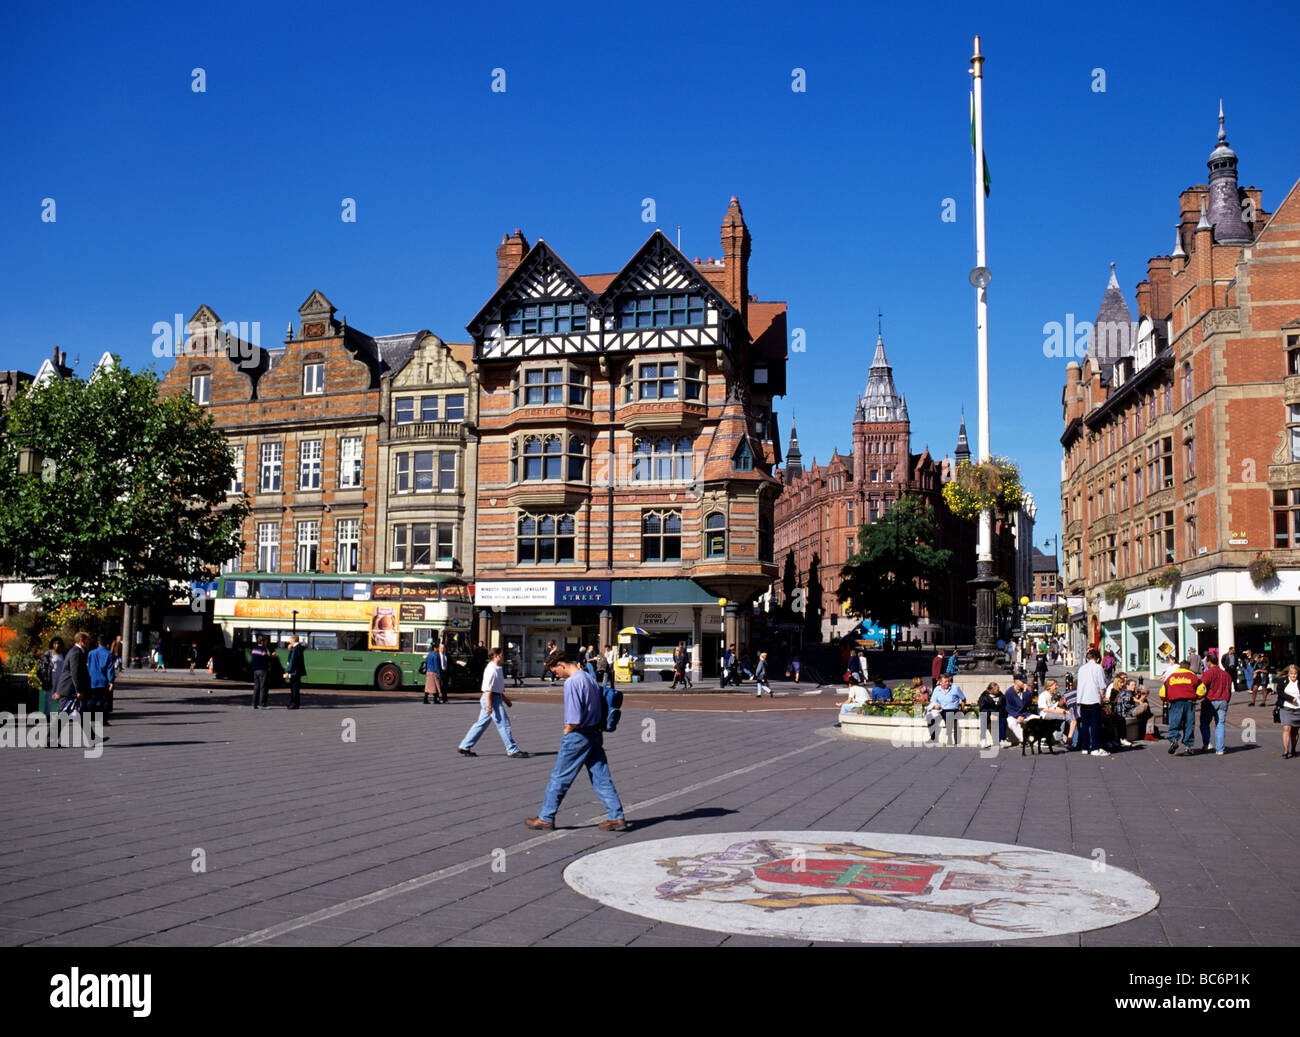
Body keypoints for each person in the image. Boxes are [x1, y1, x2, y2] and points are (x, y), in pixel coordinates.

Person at [525, 650, 626, 831]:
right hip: (595, 733)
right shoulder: (587, 677)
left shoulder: (572, 682)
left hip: (578, 735)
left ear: (562, 664)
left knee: (560, 777)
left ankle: (546, 817)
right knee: (601, 776)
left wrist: (567, 730)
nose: (555, 675)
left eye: (555, 671)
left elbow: (574, 717)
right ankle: (616, 816)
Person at [458, 646, 528, 758]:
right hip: (491, 699)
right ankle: (512, 750)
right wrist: (489, 706)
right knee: (503, 724)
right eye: (502, 655)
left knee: (481, 724)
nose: (503, 657)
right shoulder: (492, 669)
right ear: (496, 656)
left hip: (494, 698)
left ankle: (465, 746)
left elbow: (496, 688)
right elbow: (488, 690)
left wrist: (505, 699)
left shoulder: (496, 668)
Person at [1160, 658, 1206, 756]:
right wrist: (1197, 697)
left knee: (1175, 722)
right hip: (1189, 703)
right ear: (1189, 667)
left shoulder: (1171, 677)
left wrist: (1166, 699)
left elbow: (1162, 692)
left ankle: (1174, 739)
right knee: (1189, 724)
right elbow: (1202, 689)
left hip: (1175, 703)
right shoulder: (1192, 676)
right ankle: (1188, 747)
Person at [1197, 649, 1232, 755]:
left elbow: (1201, 687)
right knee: (1220, 724)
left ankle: (1208, 743)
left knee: (1204, 723)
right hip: (1223, 700)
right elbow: (1229, 690)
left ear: (1208, 661)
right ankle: (1220, 749)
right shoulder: (1226, 674)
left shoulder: (1208, 673)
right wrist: (1227, 699)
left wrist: (1199, 697)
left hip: (1210, 700)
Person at [1076, 647, 1109, 756]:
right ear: (1098, 659)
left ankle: (1085, 747)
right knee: (1095, 724)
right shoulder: (1098, 668)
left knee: (1084, 724)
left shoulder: (1081, 668)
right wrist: (1102, 693)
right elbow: (1102, 685)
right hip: (1093, 699)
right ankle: (1095, 748)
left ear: (1087, 659)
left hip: (1082, 699)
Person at [53, 632, 91, 720]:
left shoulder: (78, 652)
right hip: (69, 690)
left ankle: (90, 734)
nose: (89, 642)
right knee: (62, 714)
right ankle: (52, 734)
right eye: (88, 639)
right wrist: (79, 691)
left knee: (80, 715)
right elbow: (75, 673)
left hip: (71, 689)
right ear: (81, 640)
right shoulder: (76, 653)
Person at [931, 673, 965, 746]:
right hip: (940, 709)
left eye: (948, 681)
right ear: (940, 682)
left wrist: (962, 709)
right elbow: (932, 701)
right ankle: (933, 737)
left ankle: (949, 738)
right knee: (930, 718)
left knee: (948, 715)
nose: (948, 683)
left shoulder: (955, 688)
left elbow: (963, 699)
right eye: (945, 682)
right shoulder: (937, 689)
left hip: (952, 709)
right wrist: (935, 705)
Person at [87, 634, 115, 722]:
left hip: (92, 680)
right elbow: (110, 669)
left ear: (98, 642)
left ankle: (89, 716)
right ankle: (103, 719)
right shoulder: (109, 654)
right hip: (104, 680)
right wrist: (111, 682)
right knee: (104, 701)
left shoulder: (91, 653)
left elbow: (88, 666)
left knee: (93, 699)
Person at [1004, 676, 1034, 747]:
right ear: (1017, 682)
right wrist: (1017, 716)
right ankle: (1024, 739)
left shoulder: (1025, 690)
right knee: (1011, 723)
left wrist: (1026, 692)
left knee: (1037, 719)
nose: (1024, 683)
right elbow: (1008, 707)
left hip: (1025, 713)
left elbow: (1028, 702)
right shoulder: (1009, 692)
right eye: (1022, 682)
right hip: (1013, 714)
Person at [1278, 664, 1300, 759]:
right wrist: (1291, 699)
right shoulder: (1283, 681)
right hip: (1286, 708)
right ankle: (1286, 750)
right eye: (1291, 674)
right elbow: (1280, 692)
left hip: (1298, 709)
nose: (1293, 676)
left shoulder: (1299, 682)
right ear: (1288, 674)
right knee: (1286, 728)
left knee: (1295, 731)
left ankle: (1293, 749)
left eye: (1295, 674)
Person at [977, 681, 1006, 748]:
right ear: (991, 690)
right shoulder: (984, 697)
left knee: (1002, 719)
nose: (998, 690)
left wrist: (997, 714)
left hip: (998, 713)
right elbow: (983, 708)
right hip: (988, 714)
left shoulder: (1001, 696)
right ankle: (983, 740)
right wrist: (990, 714)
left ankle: (1002, 740)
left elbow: (1003, 707)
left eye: (998, 688)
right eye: (997, 689)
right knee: (983, 717)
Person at [250, 635, 273, 708]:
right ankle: (262, 703)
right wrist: (271, 657)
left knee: (256, 687)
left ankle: (254, 703)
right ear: (262, 642)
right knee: (263, 687)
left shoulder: (254, 649)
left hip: (255, 670)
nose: (267, 643)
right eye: (266, 641)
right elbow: (265, 660)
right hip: (263, 670)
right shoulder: (263, 649)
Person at [285, 634, 306, 709]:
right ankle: (295, 703)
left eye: (290, 640)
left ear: (293, 640)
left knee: (293, 688)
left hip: (294, 672)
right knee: (296, 688)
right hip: (298, 671)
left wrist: (288, 671)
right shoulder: (299, 647)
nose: (290, 641)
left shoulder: (295, 649)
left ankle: (293, 703)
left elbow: (292, 661)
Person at [422, 639, 445, 704]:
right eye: (438, 648)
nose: (438, 649)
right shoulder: (435, 655)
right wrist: (439, 673)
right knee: (435, 686)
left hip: (428, 672)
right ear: (436, 648)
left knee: (428, 687)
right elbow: (436, 665)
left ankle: (425, 699)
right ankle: (435, 700)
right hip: (433, 672)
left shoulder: (429, 654)